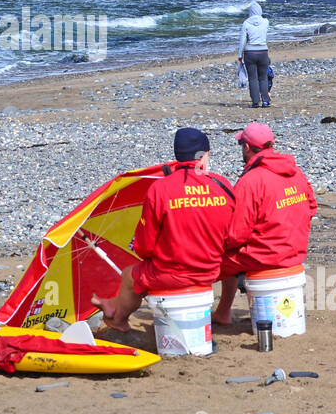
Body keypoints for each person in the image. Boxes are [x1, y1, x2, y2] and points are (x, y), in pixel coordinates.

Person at [90, 128, 234, 331]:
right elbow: (235, 235)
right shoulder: (222, 184)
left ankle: (118, 319)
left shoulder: (160, 189)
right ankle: (112, 306)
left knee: (130, 276)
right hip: (214, 269)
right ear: (204, 155)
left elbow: (144, 246)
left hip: (175, 273)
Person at [213, 122, 317, 325]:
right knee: (233, 254)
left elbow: (236, 234)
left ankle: (189, 315)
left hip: (265, 255)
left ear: (247, 147)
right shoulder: (295, 172)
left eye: (241, 145)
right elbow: (311, 207)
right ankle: (223, 311)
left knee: (204, 263)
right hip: (294, 249)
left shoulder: (251, 180)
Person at [237, 1, 271, 109]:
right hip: (263, 52)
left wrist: (239, 55)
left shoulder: (246, 23)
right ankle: (265, 101)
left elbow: (243, 41)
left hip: (249, 52)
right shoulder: (266, 22)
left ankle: (255, 102)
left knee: (252, 79)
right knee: (263, 78)